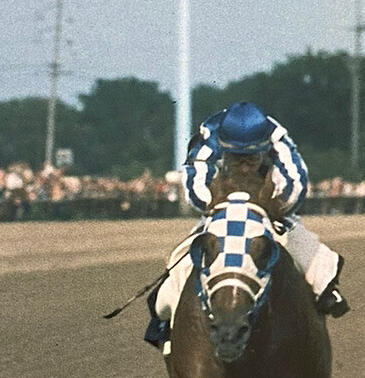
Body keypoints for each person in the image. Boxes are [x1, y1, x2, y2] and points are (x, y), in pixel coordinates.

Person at [146, 101, 348, 348]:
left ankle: (327, 290)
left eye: (251, 160)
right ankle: (164, 321)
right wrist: (213, 201)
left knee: (307, 247)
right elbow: (195, 174)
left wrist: (277, 203)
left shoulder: (276, 135)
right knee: (182, 257)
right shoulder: (210, 132)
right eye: (236, 159)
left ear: (263, 149)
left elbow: (296, 178)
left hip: (267, 208)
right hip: (220, 208)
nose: (243, 167)